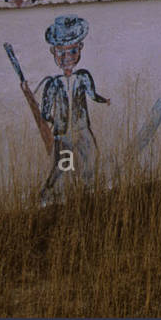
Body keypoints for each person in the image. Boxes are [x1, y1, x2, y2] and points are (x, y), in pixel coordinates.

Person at [37, 15, 109, 205]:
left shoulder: (83, 77)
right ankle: (49, 192)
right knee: (63, 165)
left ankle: (88, 191)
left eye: (72, 51)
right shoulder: (53, 84)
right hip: (64, 133)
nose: (67, 58)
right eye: (61, 53)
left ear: (80, 49)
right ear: (54, 52)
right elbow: (45, 110)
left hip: (82, 129)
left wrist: (104, 100)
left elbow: (92, 95)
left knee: (90, 158)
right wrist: (50, 120)